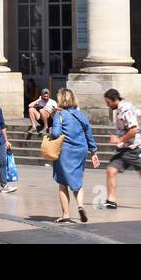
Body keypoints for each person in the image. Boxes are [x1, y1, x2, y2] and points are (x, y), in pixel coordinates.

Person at [49, 88, 99, 224]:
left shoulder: (60, 115)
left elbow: (55, 134)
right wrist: (94, 151)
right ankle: (81, 206)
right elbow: (89, 134)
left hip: (66, 150)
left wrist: (52, 123)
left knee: (63, 183)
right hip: (81, 150)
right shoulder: (81, 115)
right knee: (77, 180)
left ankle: (65, 214)